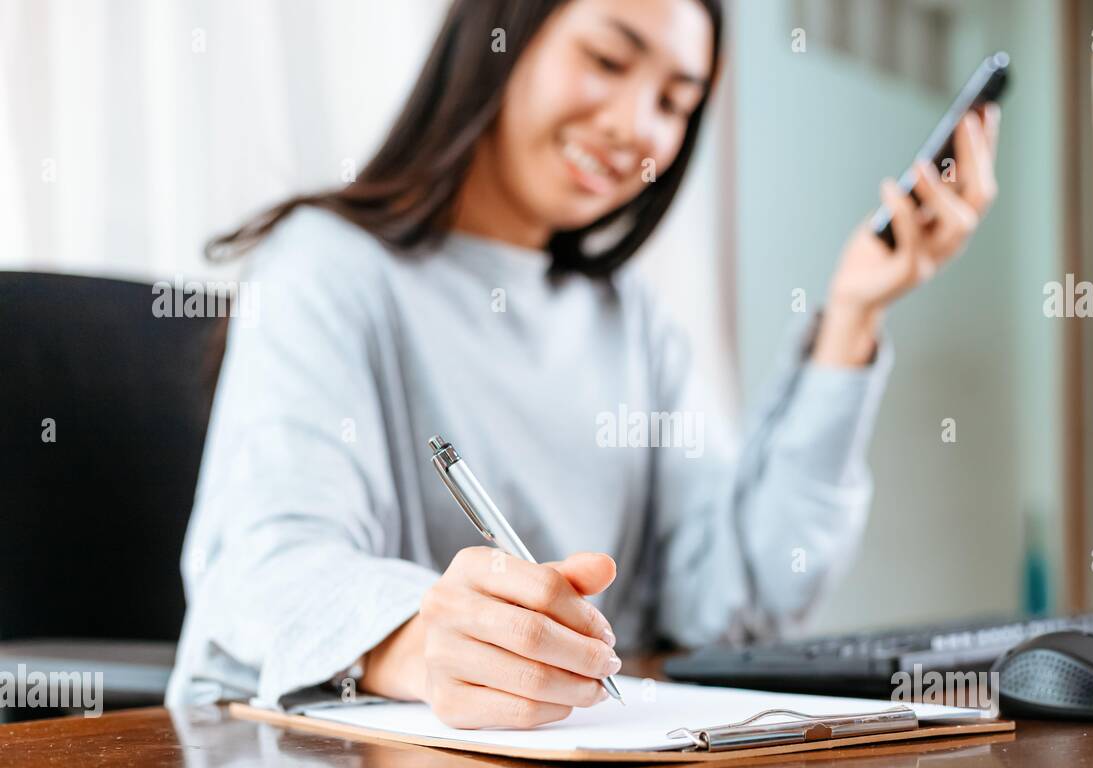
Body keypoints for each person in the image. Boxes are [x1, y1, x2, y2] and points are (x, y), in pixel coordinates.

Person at [165, 0, 1000, 728]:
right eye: (607, 59)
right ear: (503, 32)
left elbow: (738, 595)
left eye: (676, 101)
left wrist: (853, 315)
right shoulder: (324, 268)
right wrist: (419, 643)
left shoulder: (633, 322)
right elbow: (266, 568)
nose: (639, 126)